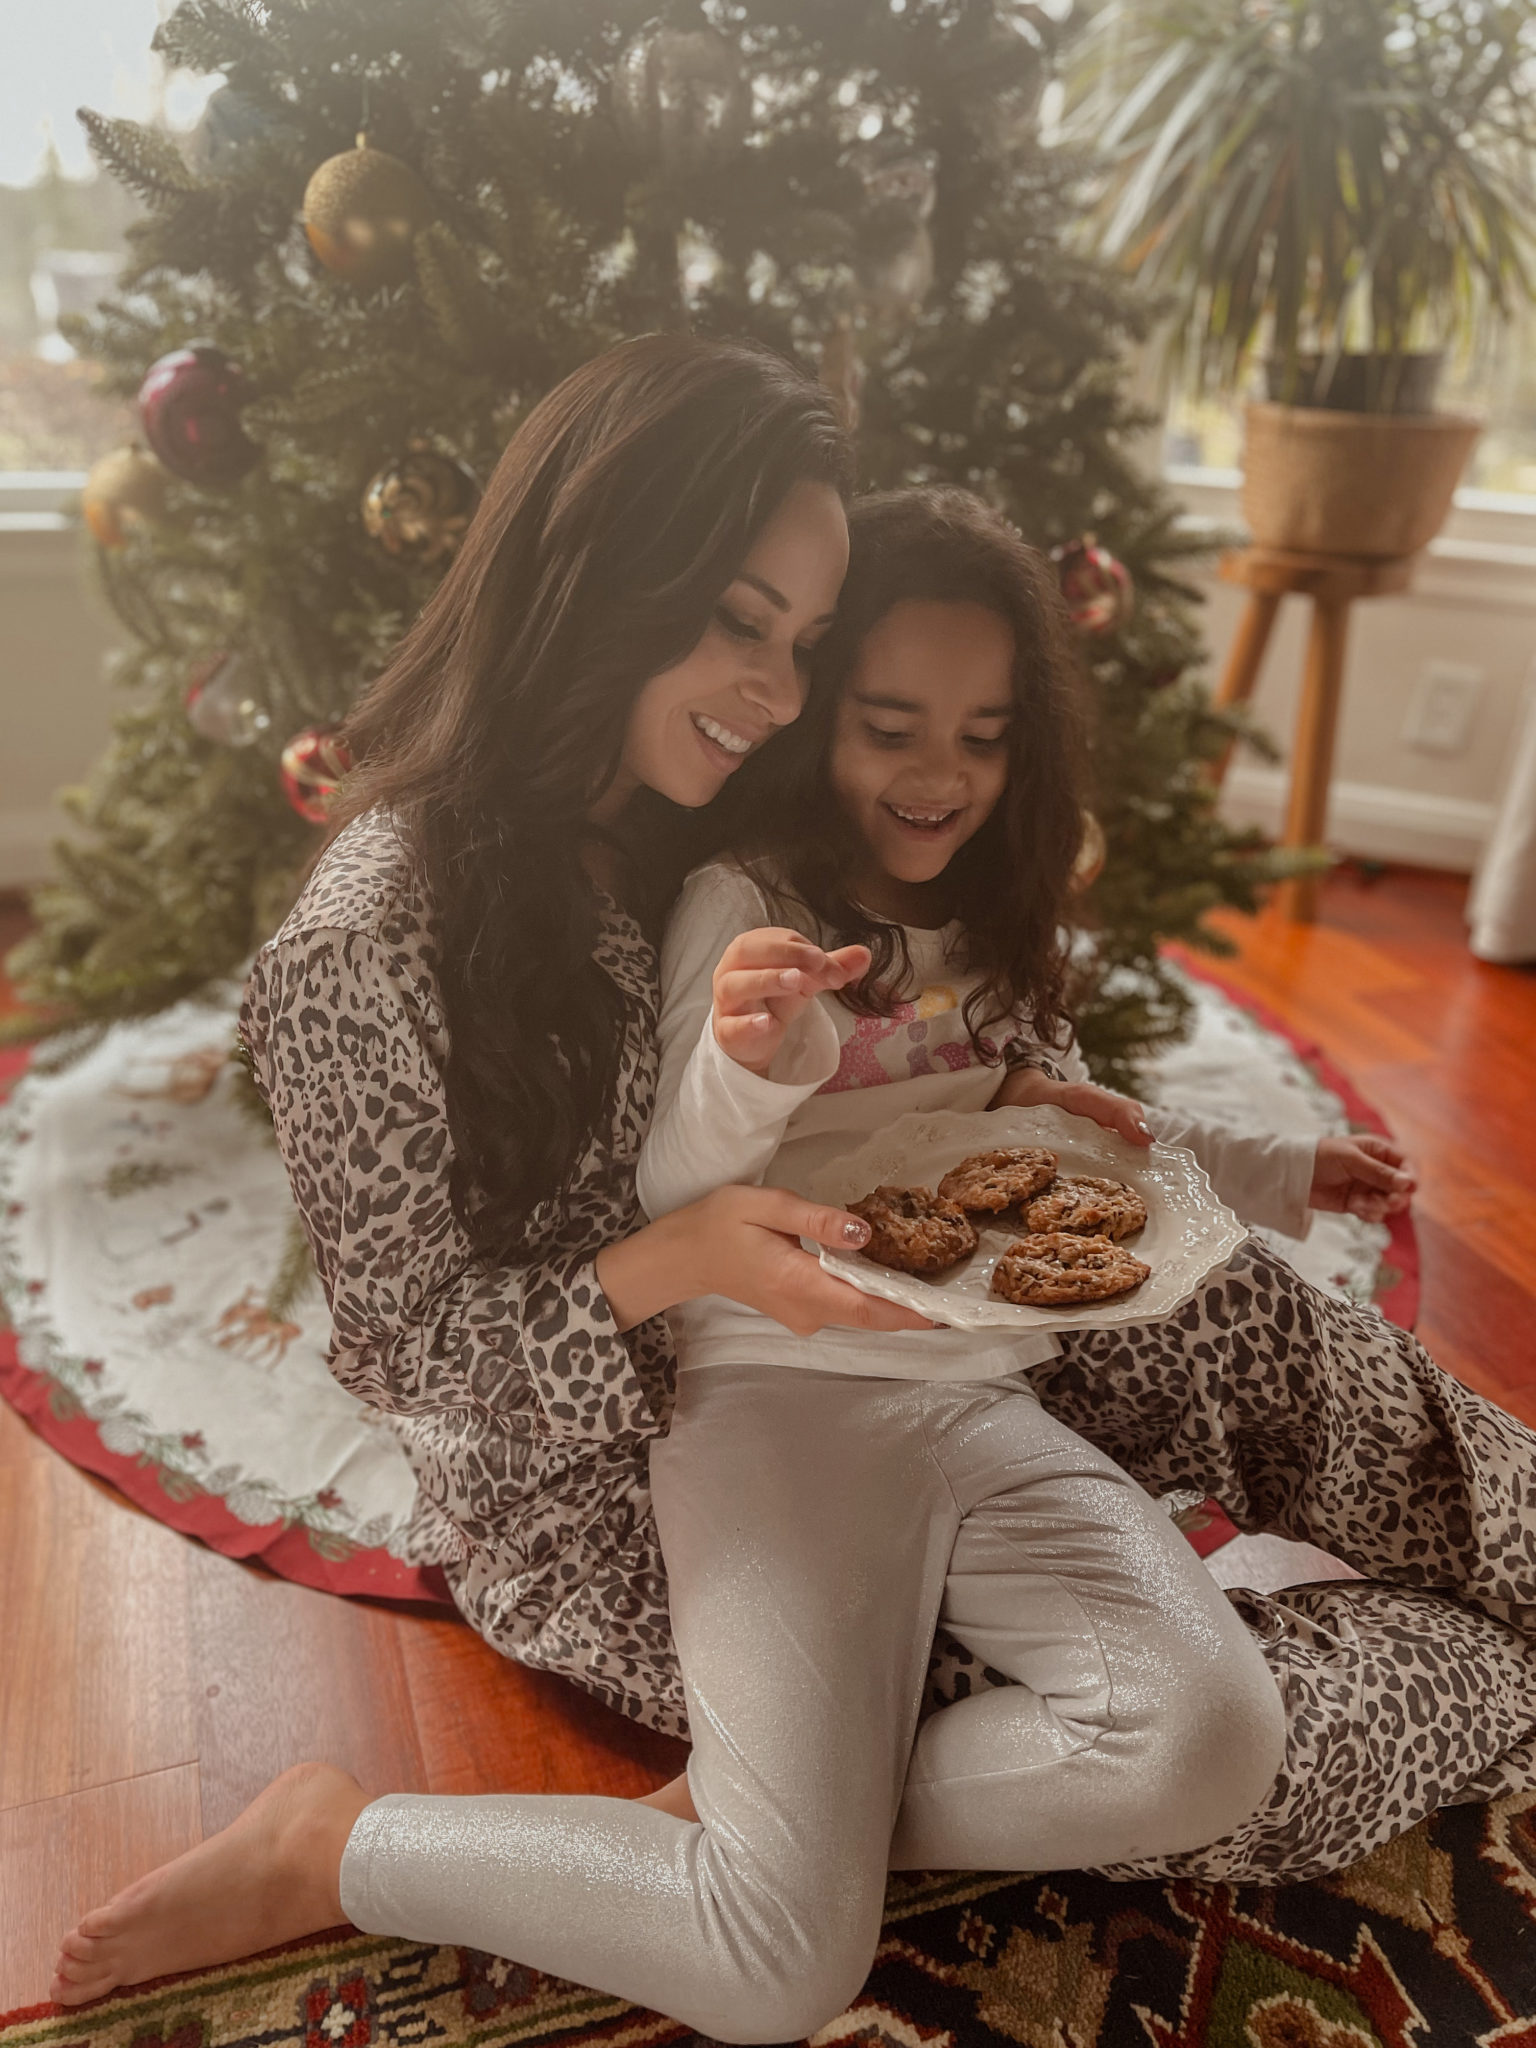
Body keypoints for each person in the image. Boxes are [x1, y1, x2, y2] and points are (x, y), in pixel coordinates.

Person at [50, 344, 1536, 2028]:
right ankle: (436, 1842)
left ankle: (1512, 1546)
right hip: (625, 1470)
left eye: (804, 644)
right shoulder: (366, 940)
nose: (773, 690)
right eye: (738, 623)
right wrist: (667, 1262)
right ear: (598, 580)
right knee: (1324, 1728)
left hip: (908, 1344)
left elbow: (942, 1029)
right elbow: (412, 1361)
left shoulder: (729, 794)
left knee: (1248, 1311)